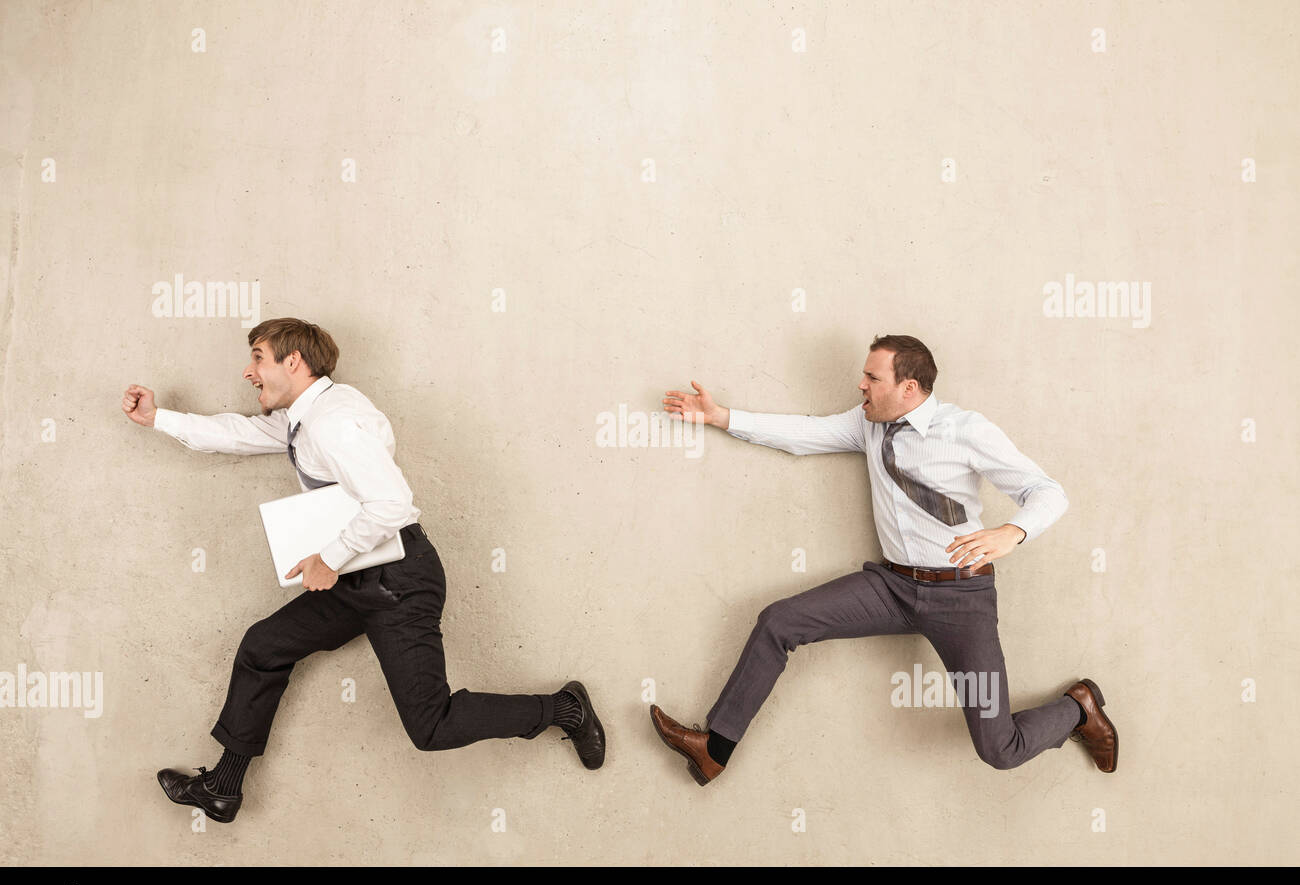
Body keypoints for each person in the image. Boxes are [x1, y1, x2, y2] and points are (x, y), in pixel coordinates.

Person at [123, 317, 605, 823]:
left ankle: (565, 710)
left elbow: (392, 503)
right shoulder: (306, 416)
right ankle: (223, 787)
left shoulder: (334, 422)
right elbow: (239, 433)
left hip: (399, 578)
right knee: (263, 648)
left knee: (431, 727)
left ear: (294, 361)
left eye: (258, 358)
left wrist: (329, 559)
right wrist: (159, 419)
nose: (249, 372)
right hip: (362, 574)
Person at [650, 333, 1117, 785]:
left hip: (961, 599)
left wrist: (1012, 532)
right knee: (779, 621)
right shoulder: (867, 423)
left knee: (999, 749)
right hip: (891, 588)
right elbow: (805, 433)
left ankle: (1080, 708)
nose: (861, 386)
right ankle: (715, 750)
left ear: (908, 387)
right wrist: (722, 417)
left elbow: (1047, 492)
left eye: (872, 377)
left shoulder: (966, 429)